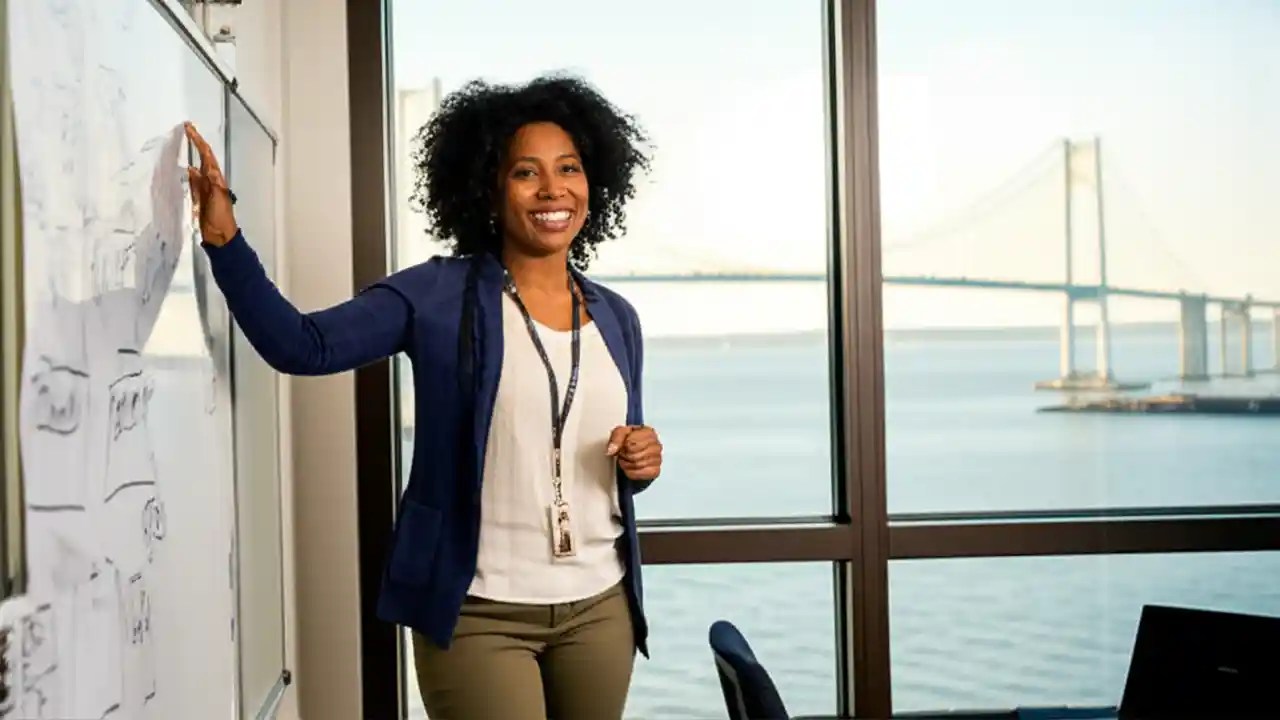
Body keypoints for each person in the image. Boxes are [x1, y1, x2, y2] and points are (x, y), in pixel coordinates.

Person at [185, 73, 663, 720]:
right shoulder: (435, 297)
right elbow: (302, 346)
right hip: (479, 616)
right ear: (488, 189)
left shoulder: (617, 317)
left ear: (593, 183)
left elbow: (606, 465)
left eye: (569, 168)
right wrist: (225, 242)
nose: (553, 190)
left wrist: (641, 461)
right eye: (526, 172)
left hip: (601, 609)